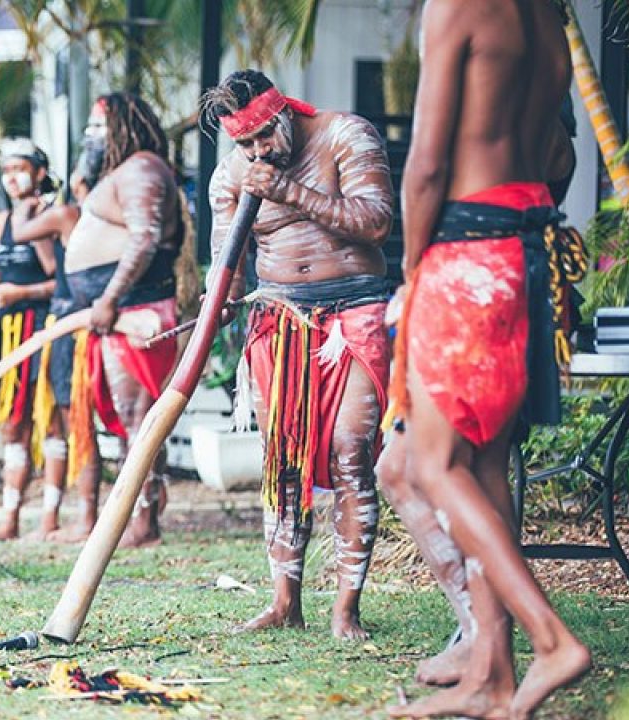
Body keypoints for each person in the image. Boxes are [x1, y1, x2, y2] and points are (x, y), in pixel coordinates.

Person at [383, 1, 590, 718]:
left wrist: (412, 267)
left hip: (464, 250)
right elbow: (563, 155)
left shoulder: (458, 4)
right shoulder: (544, 15)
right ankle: (491, 674)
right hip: (523, 246)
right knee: (483, 466)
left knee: (429, 466)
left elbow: (428, 162)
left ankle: (552, 640)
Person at [203, 69, 394, 639]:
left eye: (267, 134)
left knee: (349, 452)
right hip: (279, 321)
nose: (260, 150)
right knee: (282, 462)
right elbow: (226, 262)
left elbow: (378, 221)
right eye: (247, 143)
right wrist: (223, 294)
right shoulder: (231, 174)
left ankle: (346, 608)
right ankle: (285, 602)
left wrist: (290, 192)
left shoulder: (345, 136)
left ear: (286, 109)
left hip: (355, 312)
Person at [63, 92, 184, 548]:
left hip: (135, 310)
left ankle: (145, 520)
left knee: (140, 419)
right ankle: (134, 515)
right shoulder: (126, 171)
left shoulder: (143, 169)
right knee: (128, 421)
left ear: (126, 129)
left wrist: (110, 298)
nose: (92, 137)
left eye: (101, 127)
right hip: (116, 313)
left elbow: (145, 238)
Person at [7, 164, 101, 542]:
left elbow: (20, 233)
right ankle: (84, 516)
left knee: (75, 419)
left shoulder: (66, 214)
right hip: (79, 320)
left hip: (73, 322)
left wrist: (26, 206)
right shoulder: (99, 220)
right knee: (75, 419)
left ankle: (86, 517)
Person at [0, 138, 59, 541]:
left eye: (19, 169)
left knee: (49, 420)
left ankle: (50, 517)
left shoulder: (49, 217)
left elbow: (61, 282)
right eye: (6, 171)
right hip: (7, 332)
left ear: (39, 173)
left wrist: (20, 294)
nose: (12, 178)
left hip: (42, 329)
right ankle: (10, 519)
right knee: (13, 424)